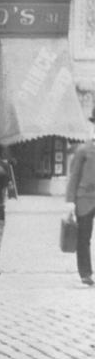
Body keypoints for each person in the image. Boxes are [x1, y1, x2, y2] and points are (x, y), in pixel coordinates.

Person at [65, 109, 95, 286]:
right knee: (84, 237)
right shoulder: (84, 150)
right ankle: (85, 273)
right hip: (84, 199)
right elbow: (74, 176)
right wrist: (70, 202)